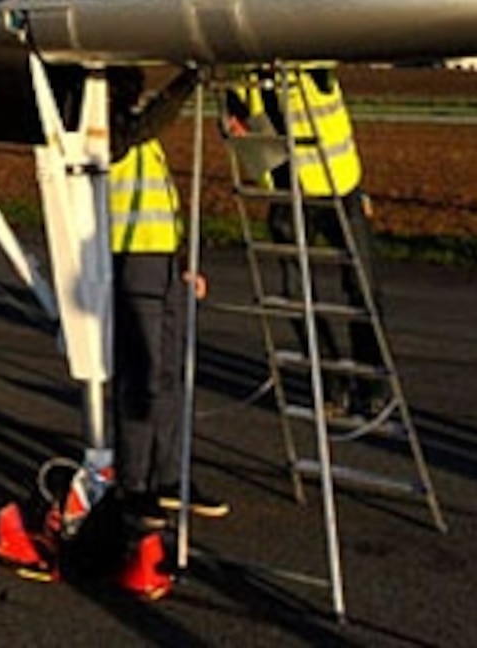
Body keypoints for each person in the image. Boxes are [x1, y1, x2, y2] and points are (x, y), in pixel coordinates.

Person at [226, 63, 389, 412]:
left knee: (362, 287)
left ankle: (372, 384)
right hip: (290, 198)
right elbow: (241, 130)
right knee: (297, 295)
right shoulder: (242, 81)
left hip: (339, 187)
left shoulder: (309, 66)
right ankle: (332, 386)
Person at [108, 69, 222, 552]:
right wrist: (187, 81)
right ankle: (134, 486)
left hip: (163, 265)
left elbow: (163, 202)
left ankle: (169, 479)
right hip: (130, 260)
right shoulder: (103, 132)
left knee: (170, 376)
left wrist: (183, 264)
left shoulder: (140, 136)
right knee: (143, 377)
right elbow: (141, 128)